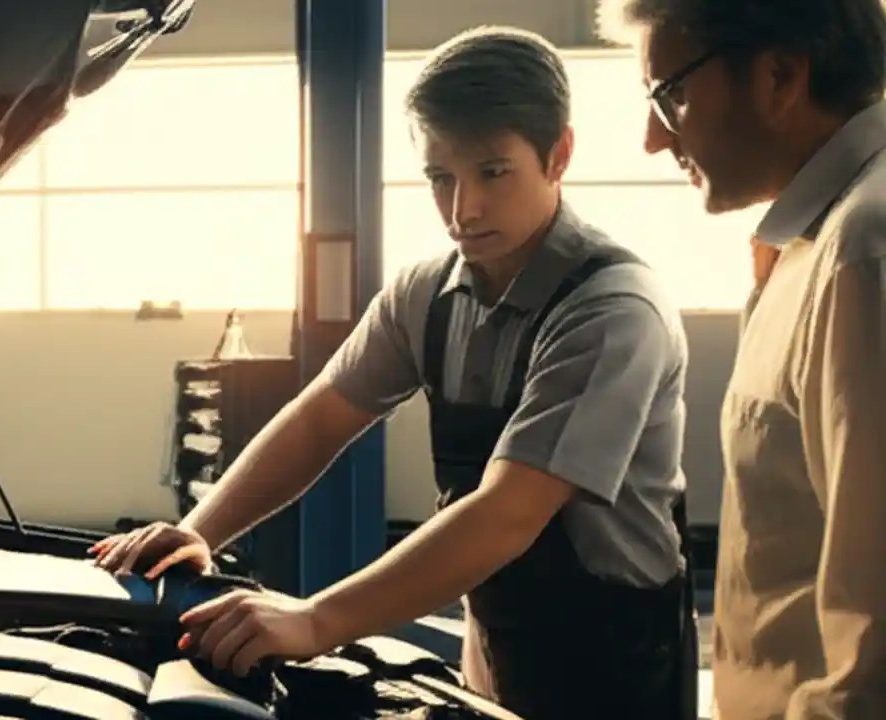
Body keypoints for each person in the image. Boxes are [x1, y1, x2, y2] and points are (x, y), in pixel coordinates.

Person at [92, 26, 696, 720]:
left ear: (558, 154)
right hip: (498, 649)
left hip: (618, 670)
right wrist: (202, 531)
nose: (463, 209)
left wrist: (315, 621)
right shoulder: (425, 294)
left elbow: (508, 513)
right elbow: (322, 417)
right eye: (441, 177)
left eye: (493, 172)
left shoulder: (614, 313)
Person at [597, 1, 886, 718]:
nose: (653, 139)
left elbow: (874, 660)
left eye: (673, 95)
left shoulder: (864, 252)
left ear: (781, 75)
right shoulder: (806, 245)